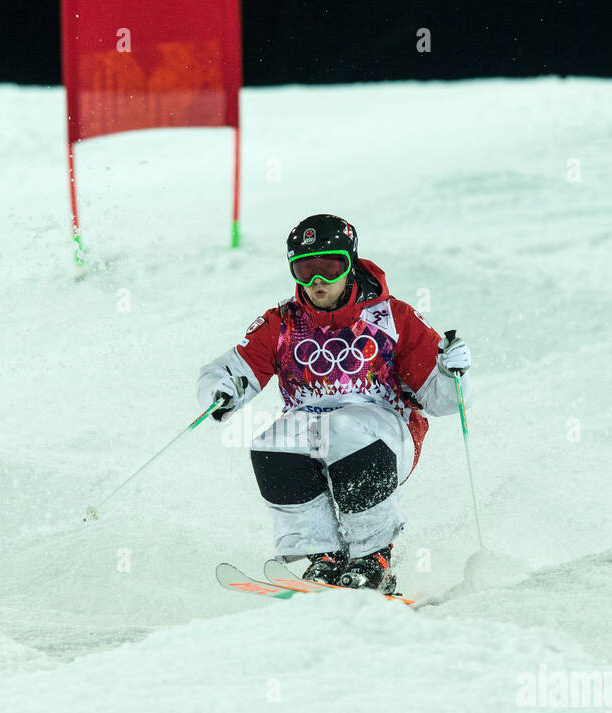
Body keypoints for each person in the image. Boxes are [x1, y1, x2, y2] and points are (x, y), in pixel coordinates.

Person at [195, 214, 471, 592]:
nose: (317, 281)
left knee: (342, 428)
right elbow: (228, 368)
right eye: (305, 269)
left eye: (329, 266)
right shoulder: (282, 323)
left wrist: (453, 373)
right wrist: (221, 391)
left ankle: (372, 555)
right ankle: (324, 556)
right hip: (314, 433)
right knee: (271, 440)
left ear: (351, 262)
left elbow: (442, 401)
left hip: (386, 434)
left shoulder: (394, 318)